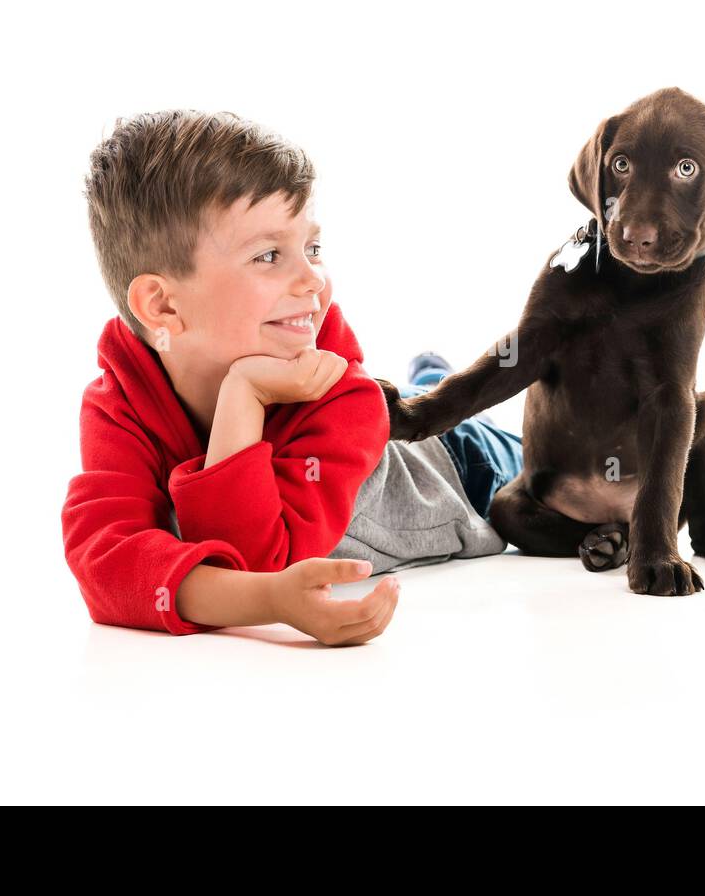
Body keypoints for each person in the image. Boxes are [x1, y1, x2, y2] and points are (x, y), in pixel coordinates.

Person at [61, 109, 522, 647]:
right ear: (162, 306)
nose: (313, 280)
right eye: (270, 255)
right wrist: (269, 600)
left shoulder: (339, 392)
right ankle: (429, 375)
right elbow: (106, 562)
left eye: (313, 249)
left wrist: (244, 394)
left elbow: (258, 561)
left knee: (569, 471)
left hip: (462, 465)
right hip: (408, 430)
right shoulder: (120, 401)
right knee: (420, 391)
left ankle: (433, 382)